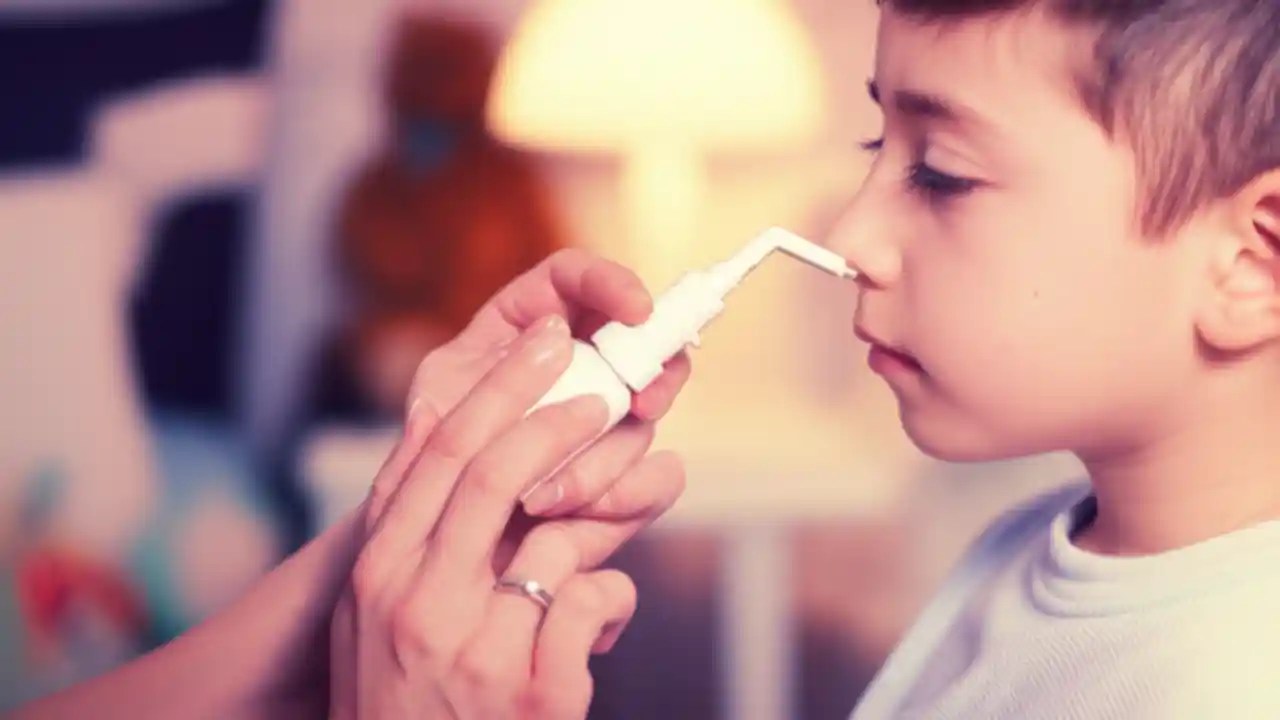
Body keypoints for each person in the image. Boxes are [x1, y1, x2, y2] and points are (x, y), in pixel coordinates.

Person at [15, 0, 1280, 716]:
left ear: (1251, 262)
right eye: (871, 152)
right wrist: (375, 563)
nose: (853, 237)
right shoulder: (1032, 560)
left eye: (940, 173)